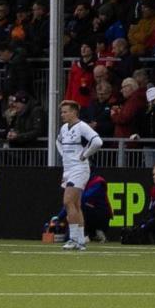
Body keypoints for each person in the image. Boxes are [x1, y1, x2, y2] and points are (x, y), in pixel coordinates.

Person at [54, 99, 105, 250]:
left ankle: (74, 239)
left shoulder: (82, 127)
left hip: (79, 168)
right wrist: (63, 154)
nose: (62, 115)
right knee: (75, 204)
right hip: (68, 168)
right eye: (62, 112)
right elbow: (58, 141)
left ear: (74, 112)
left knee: (68, 201)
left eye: (65, 111)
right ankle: (81, 240)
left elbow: (97, 142)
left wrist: (85, 155)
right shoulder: (64, 128)